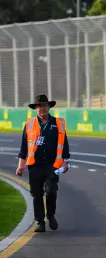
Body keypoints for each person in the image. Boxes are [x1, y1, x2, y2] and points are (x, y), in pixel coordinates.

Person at [16, 95, 70, 232]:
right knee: (36, 194)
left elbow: (65, 144)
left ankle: (50, 215)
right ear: (35, 108)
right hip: (35, 165)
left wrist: (65, 161)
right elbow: (23, 148)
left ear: (49, 107)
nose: (42, 108)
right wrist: (20, 166)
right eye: (39, 106)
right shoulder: (29, 124)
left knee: (51, 192)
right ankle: (40, 221)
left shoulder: (58, 123)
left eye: (45, 105)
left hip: (52, 165)